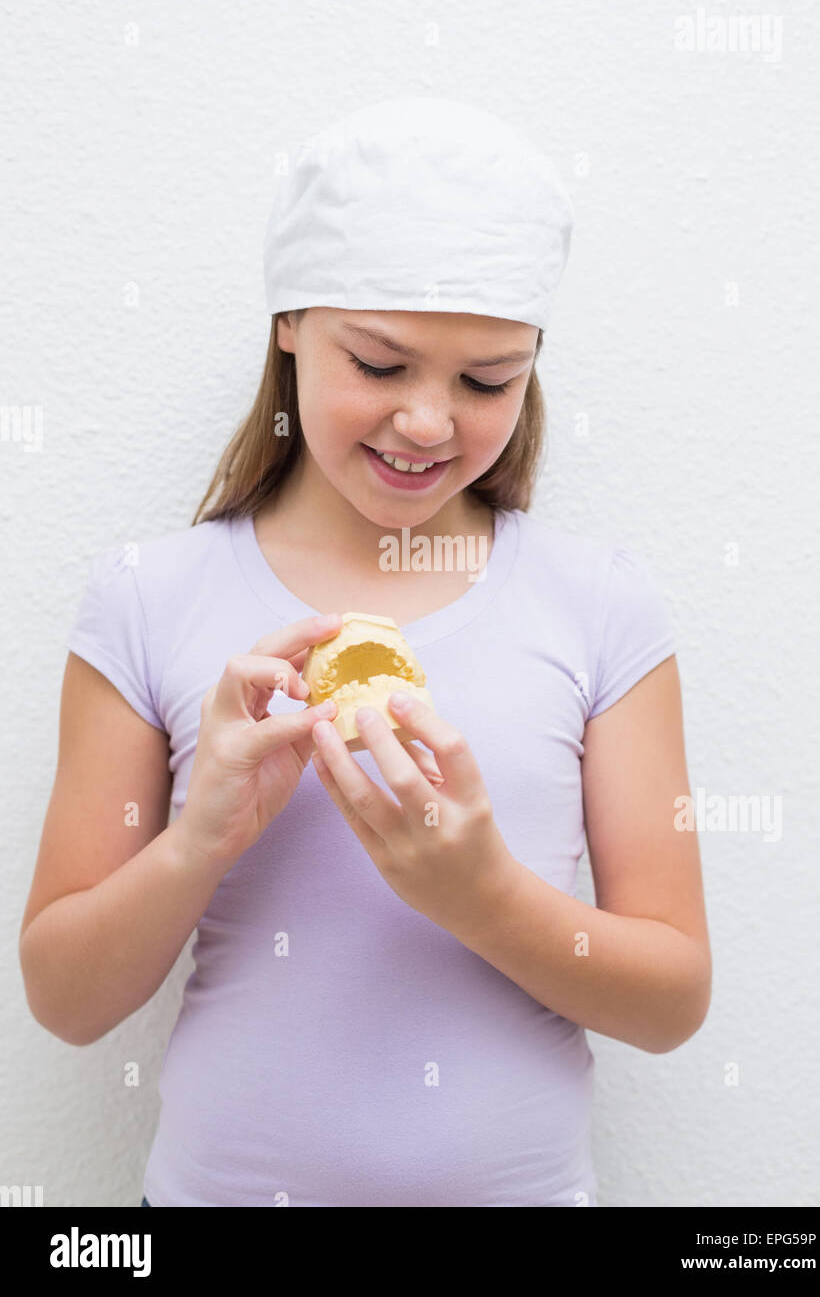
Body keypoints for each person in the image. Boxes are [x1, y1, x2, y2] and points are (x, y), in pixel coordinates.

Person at [19, 96, 711, 1207]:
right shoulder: (149, 598)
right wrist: (203, 838)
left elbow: (672, 1001)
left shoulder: (597, 604)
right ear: (290, 322)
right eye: (381, 365)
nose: (429, 422)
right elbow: (65, 996)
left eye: (487, 379)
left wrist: (480, 893)